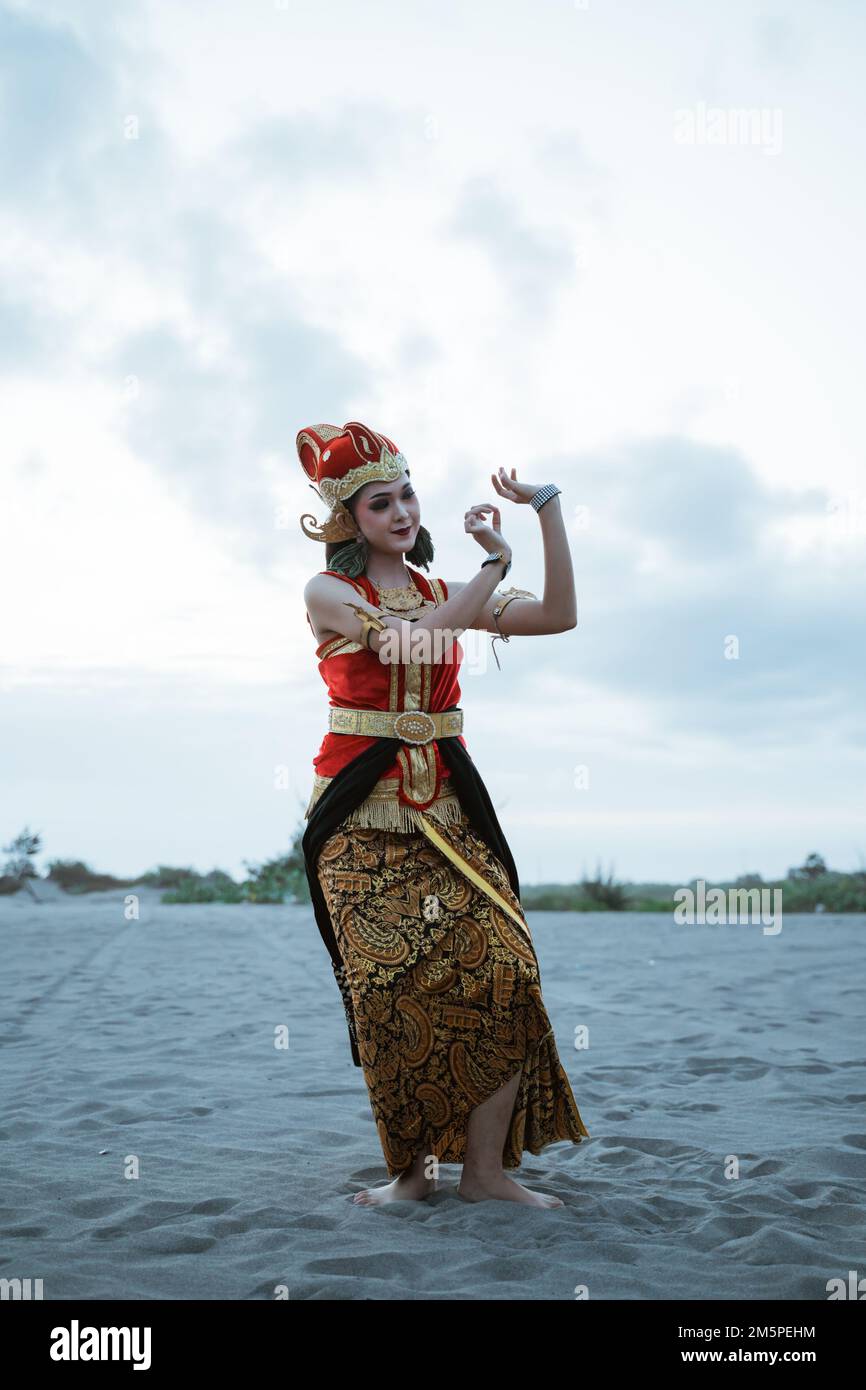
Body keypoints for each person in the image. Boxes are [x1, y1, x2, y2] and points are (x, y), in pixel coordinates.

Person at [298, 420, 590, 1208]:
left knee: (507, 970)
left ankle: (486, 1176)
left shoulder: (444, 593)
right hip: (361, 815)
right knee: (388, 992)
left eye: (407, 495)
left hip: (450, 810)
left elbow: (559, 615)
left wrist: (546, 510)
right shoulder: (330, 593)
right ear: (347, 522)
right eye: (380, 503)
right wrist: (491, 569)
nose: (401, 513)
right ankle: (411, 1178)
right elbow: (407, 650)